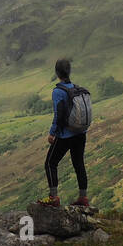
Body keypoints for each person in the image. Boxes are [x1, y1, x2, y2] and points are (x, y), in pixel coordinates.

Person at [40, 57, 90, 208]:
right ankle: (83, 198)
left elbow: (58, 115)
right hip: (80, 133)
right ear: (69, 72)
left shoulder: (58, 91)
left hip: (65, 135)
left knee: (50, 163)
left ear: (57, 73)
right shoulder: (76, 88)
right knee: (79, 164)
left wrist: (52, 133)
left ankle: (53, 197)